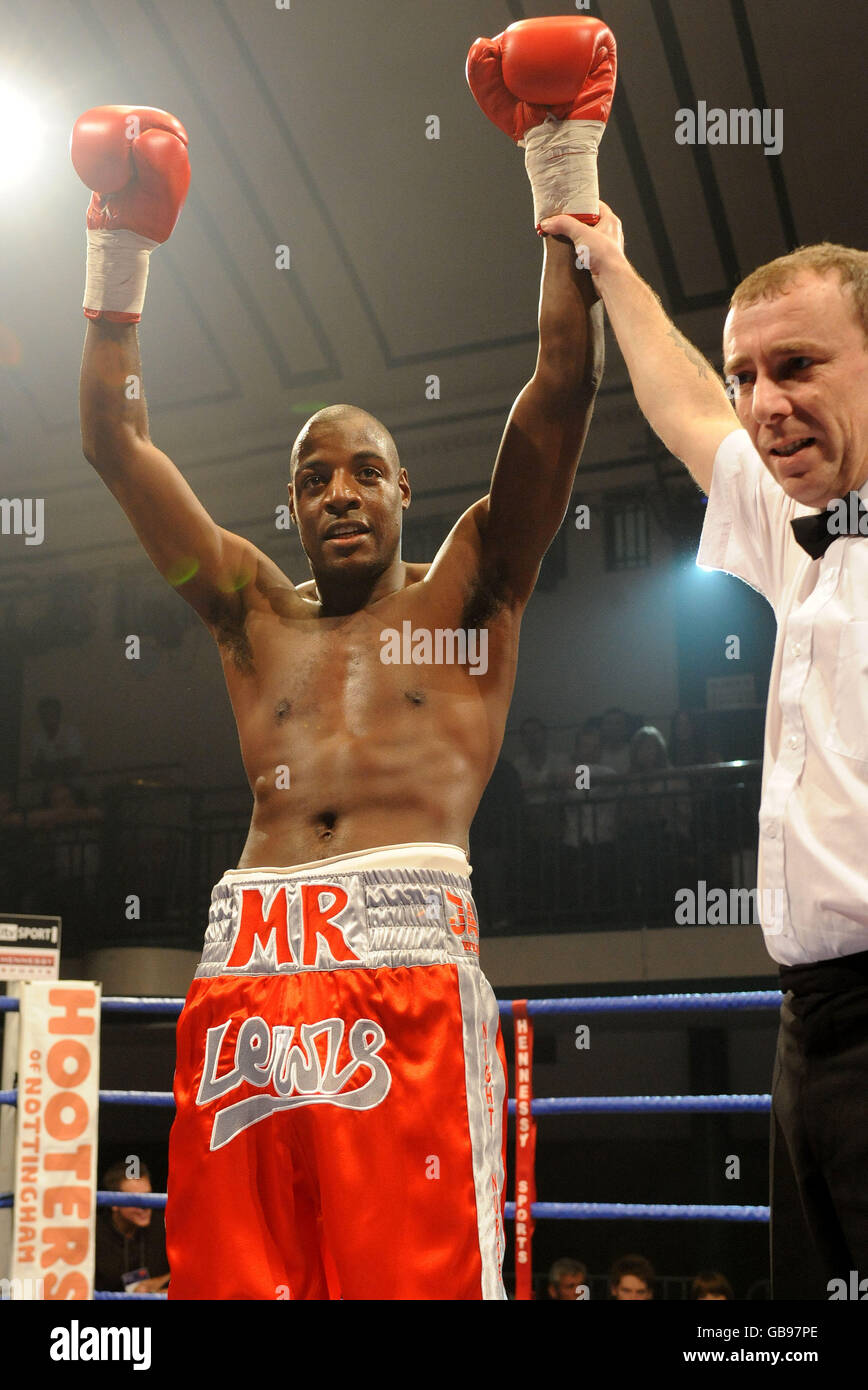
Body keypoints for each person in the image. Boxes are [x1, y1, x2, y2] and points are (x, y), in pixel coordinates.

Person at [73, 14, 615, 1300]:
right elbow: (111, 441)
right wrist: (121, 241)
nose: (336, 494)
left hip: (406, 981)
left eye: (364, 469)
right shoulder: (250, 613)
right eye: (311, 478)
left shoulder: (474, 590)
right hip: (246, 973)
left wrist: (564, 159)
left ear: (407, 488)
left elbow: (562, 381)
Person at [541, 204, 868, 1298]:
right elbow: (686, 411)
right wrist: (613, 260)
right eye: (748, 375)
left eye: (798, 365)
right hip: (805, 1027)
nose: (765, 404)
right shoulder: (799, 531)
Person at [94, 1160, 170, 1293]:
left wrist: (157, 1287)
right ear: (114, 1203)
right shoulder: (94, 1233)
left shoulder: (165, 1225)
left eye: (148, 1197)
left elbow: (193, 1267)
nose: (145, 1206)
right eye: (136, 1200)